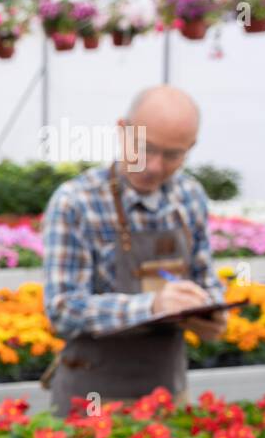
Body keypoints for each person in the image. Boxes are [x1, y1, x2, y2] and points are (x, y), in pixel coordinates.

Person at [40, 84, 228, 416]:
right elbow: (63, 309)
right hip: (93, 405)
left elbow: (205, 277)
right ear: (122, 131)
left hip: (167, 397)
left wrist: (209, 310)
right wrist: (153, 306)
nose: (154, 166)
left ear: (190, 148)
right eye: (145, 148)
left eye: (172, 155)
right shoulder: (77, 202)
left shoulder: (190, 197)